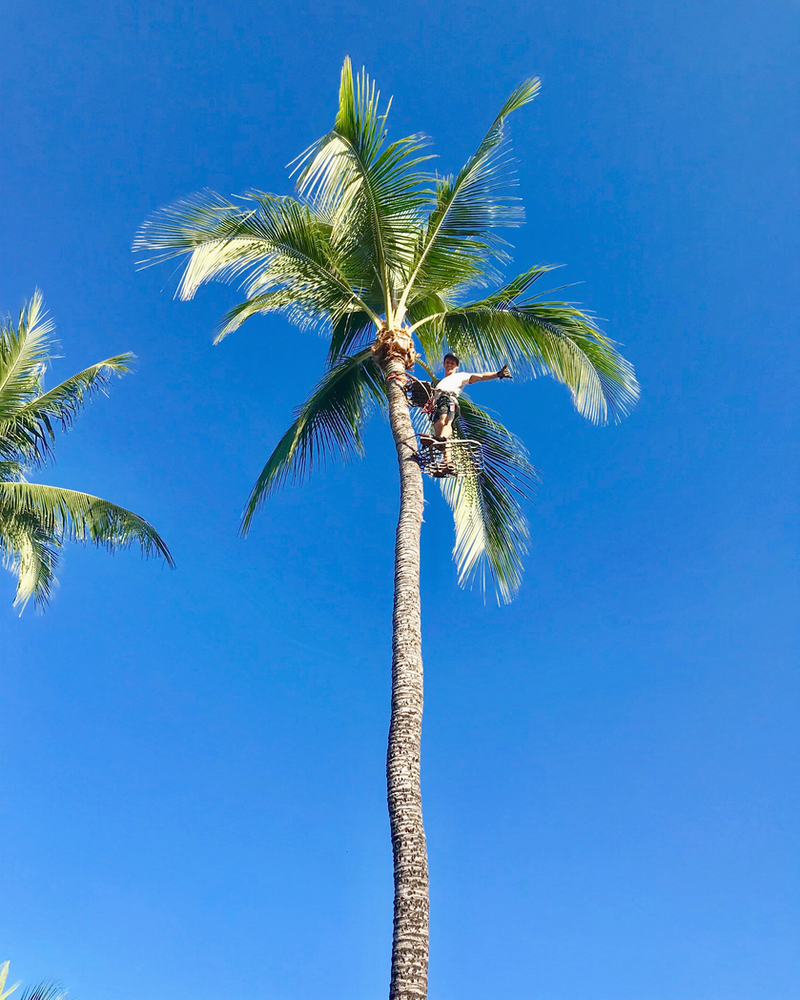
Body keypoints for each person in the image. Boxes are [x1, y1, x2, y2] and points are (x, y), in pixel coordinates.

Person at [430, 353, 511, 442]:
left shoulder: (461, 376)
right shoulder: (439, 383)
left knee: (445, 421)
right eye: (448, 362)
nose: (449, 365)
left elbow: (481, 376)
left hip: (449, 400)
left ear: (457, 367)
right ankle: (445, 450)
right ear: (444, 365)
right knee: (438, 427)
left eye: (452, 363)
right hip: (438, 403)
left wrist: (498, 374)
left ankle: (443, 438)